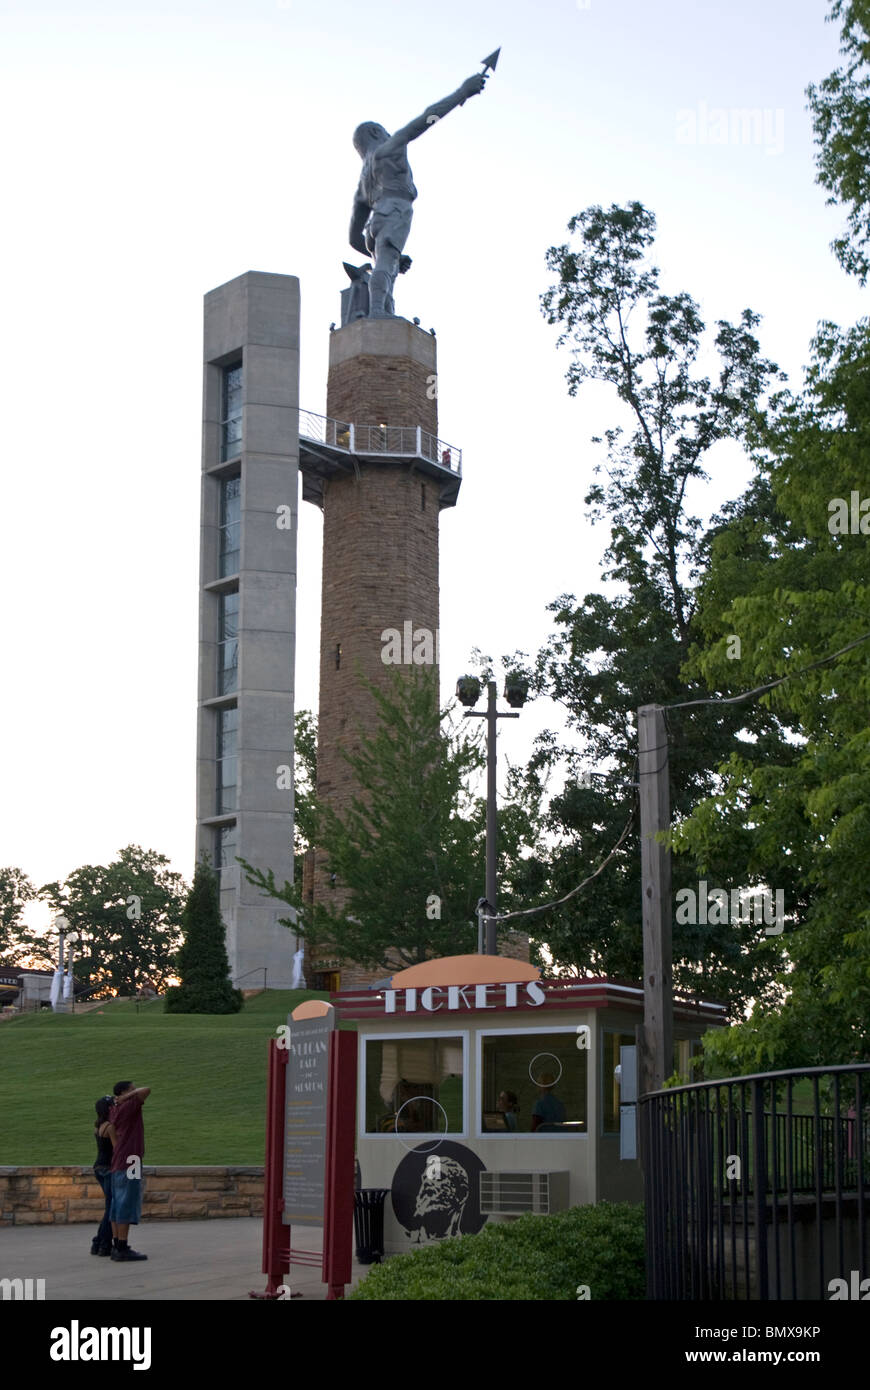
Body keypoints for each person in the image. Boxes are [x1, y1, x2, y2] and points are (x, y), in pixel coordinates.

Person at [348, 70, 489, 318]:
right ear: (373, 133)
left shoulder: (364, 183)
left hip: (375, 221)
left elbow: (353, 238)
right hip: (396, 209)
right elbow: (425, 120)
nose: (388, 134)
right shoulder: (389, 149)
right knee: (385, 264)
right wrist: (462, 93)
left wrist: (386, 253)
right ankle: (379, 311)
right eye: (383, 130)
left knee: (388, 264)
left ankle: (383, 310)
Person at [107, 1080, 151, 1262]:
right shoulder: (130, 1105)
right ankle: (123, 1247)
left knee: (117, 1203)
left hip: (118, 1159)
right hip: (131, 1159)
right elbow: (147, 1090)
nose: (135, 1090)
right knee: (127, 1201)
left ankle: (117, 1244)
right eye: (132, 1089)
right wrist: (129, 1095)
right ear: (125, 1092)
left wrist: (122, 1098)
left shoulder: (114, 1109)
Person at [90, 1095, 115, 1257]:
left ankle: (99, 1242)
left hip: (98, 1167)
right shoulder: (110, 1127)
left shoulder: (98, 1126)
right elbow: (118, 1149)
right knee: (111, 1208)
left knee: (110, 1207)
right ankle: (103, 1244)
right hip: (108, 1168)